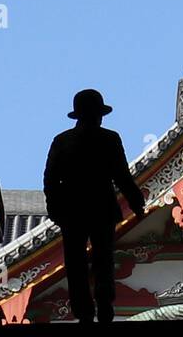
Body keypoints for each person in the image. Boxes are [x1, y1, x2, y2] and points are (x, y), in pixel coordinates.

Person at [43, 89, 145, 324]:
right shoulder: (109, 139)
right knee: (103, 260)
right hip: (102, 207)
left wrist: (54, 207)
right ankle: (105, 306)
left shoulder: (62, 140)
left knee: (75, 263)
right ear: (99, 115)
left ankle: (83, 312)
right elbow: (122, 176)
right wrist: (136, 203)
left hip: (71, 210)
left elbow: (50, 179)